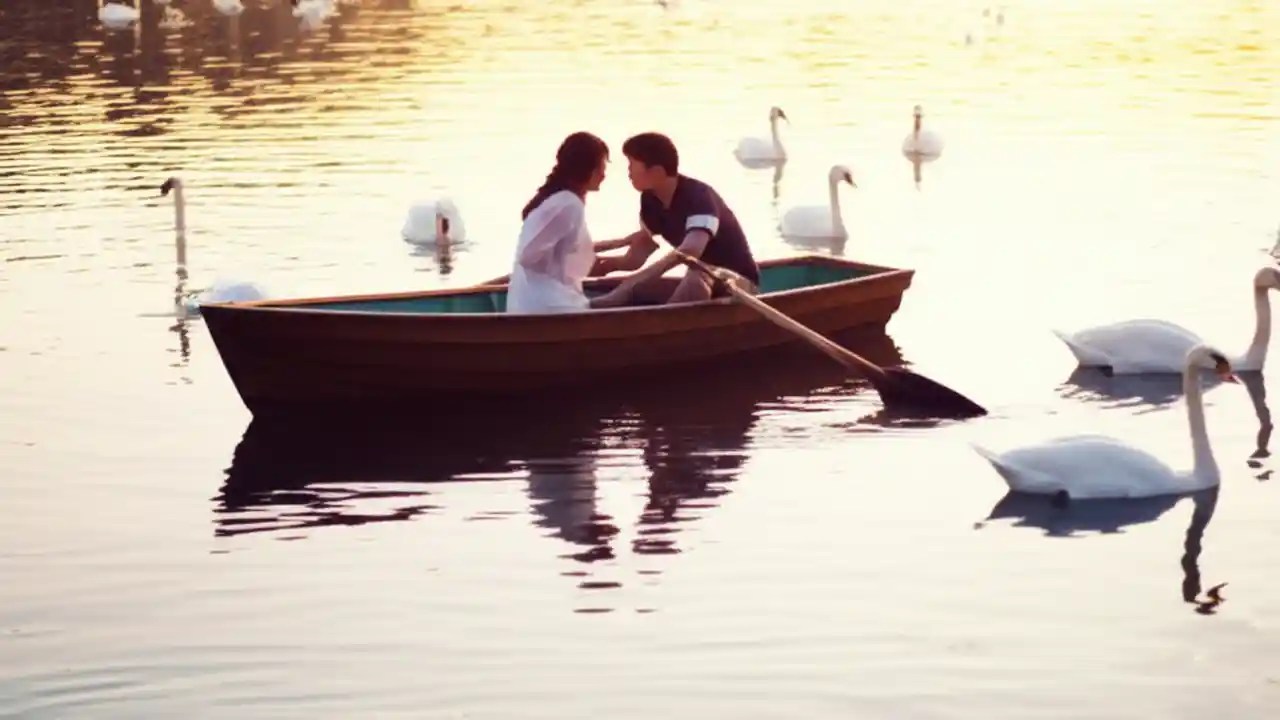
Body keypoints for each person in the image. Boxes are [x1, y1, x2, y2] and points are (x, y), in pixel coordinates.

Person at [588, 132, 761, 308]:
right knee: (639, 290)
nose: (629, 172)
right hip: (705, 281)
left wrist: (625, 288)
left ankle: (664, 329)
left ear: (657, 171)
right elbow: (641, 252)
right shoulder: (650, 201)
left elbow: (689, 251)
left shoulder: (698, 197)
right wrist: (606, 266)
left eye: (632, 164)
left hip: (738, 286)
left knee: (696, 276)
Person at [506, 132, 630, 314]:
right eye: (601, 166)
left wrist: (624, 242)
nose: (604, 174)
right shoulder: (567, 204)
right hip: (546, 306)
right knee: (629, 294)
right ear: (586, 169)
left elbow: (567, 248)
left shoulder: (560, 200)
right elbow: (528, 255)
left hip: (539, 302)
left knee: (625, 293)